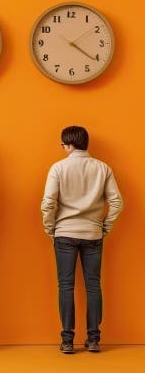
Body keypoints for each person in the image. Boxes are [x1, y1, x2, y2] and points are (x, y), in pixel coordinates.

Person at [41, 126, 123, 355]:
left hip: (65, 232)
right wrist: (104, 226)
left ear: (68, 144)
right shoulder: (102, 168)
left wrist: (51, 229)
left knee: (66, 286)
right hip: (93, 233)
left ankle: (67, 340)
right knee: (93, 285)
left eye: (62, 145)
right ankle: (94, 339)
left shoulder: (58, 168)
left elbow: (48, 203)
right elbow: (117, 202)